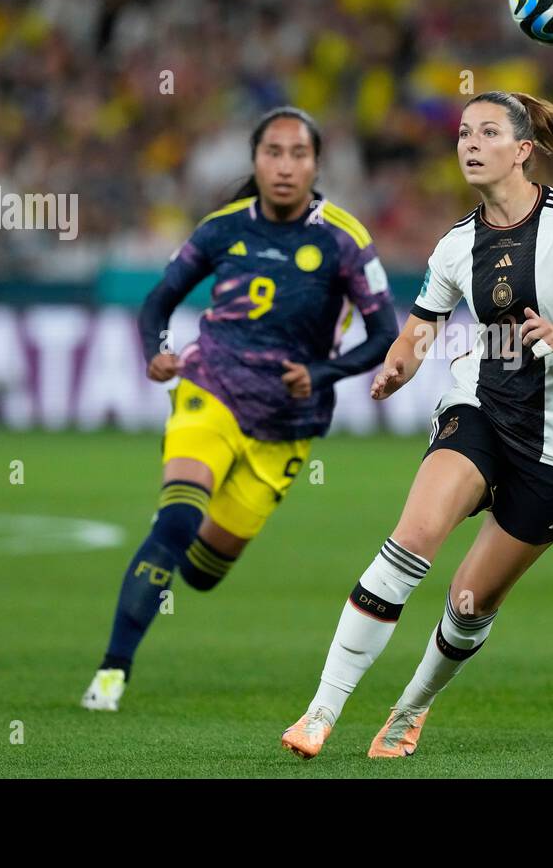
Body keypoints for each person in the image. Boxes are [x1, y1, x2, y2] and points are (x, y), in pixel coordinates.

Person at [281, 90, 553, 758]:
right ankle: (320, 711)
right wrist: (398, 364)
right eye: (462, 133)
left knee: (469, 602)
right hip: (479, 408)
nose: (470, 144)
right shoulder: (456, 244)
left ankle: (411, 708)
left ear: (523, 150)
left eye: (487, 132)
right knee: (415, 535)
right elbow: (422, 328)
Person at [81, 106, 398, 709]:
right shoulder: (223, 228)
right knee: (174, 523)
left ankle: (173, 555)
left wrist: (322, 373)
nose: (284, 166)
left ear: (316, 164)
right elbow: (157, 302)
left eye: (298, 154)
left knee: (201, 571)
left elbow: (385, 333)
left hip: (286, 424)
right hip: (210, 388)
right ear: (254, 161)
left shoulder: (343, 239)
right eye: (273, 153)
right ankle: (111, 673)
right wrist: (157, 352)